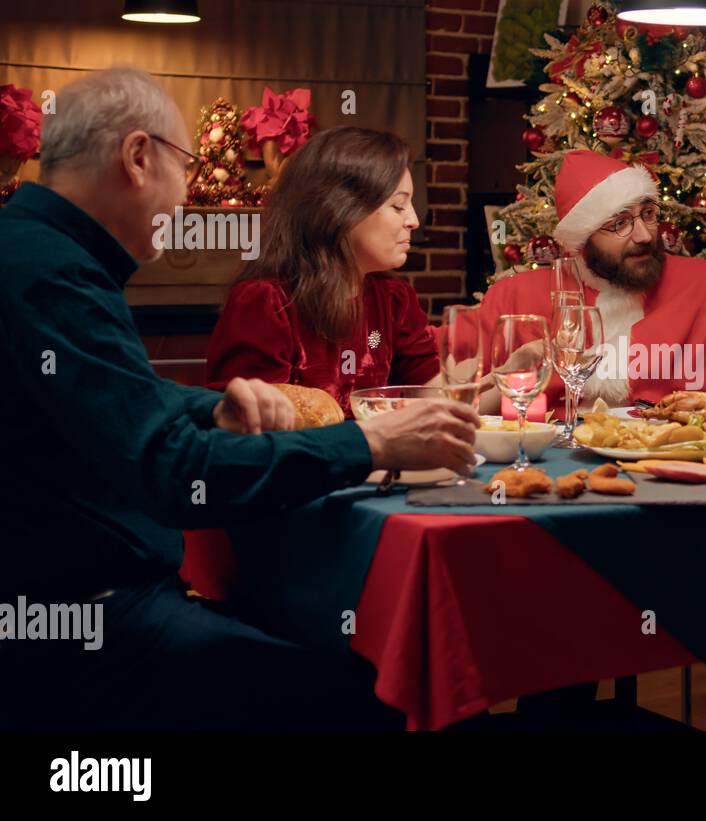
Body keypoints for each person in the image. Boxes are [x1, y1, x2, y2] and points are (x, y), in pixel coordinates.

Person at [0, 67, 479, 730]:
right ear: (139, 158)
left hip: (91, 600)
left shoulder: (36, 251)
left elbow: (111, 399)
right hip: (77, 624)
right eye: (186, 164)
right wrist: (368, 443)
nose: (187, 191)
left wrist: (208, 406)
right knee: (363, 690)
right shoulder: (50, 271)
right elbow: (171, 474)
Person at [477, 149, 706, 411]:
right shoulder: (514, 297)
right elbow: (455, 402)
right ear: (583, 239)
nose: (643, 235)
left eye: (648, 214)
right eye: (620, 223)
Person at [206, 127, 439, 417]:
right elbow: (249, 429)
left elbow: (438, 397)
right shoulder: (265, 302)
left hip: (378, 461)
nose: (414, 220)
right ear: (340, 209)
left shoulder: (393, 300)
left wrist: (505, 374)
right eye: (398, 205)